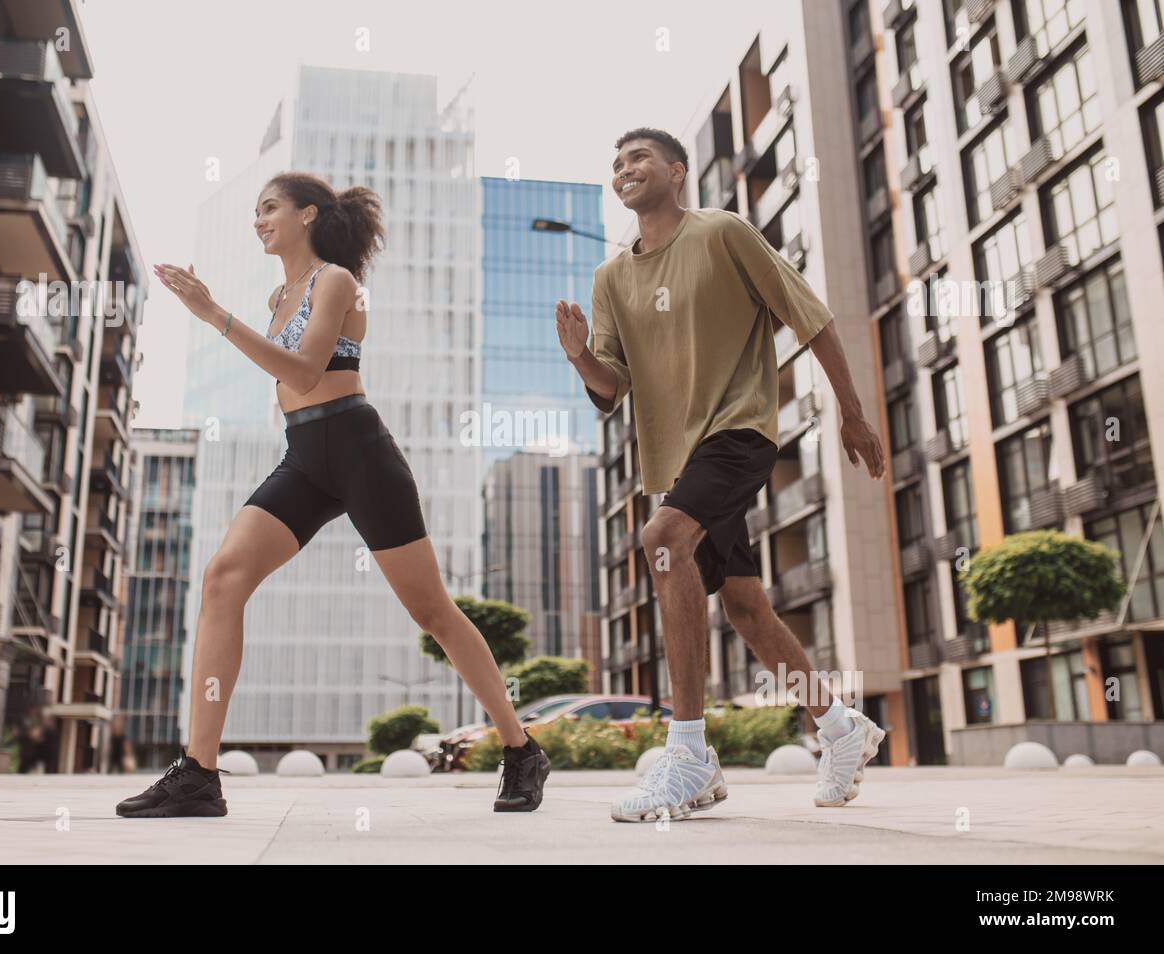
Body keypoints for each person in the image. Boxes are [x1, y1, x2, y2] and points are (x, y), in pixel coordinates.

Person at [116, 172, 549, 818]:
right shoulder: (277, 295)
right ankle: (199, 773)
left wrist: (212, 314)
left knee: (433, 612)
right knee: (222, 577)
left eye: (269, 208)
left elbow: (306, 369)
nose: (258, 220)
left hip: (360, 452)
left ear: (308, 215)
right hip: (305, 456)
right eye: (255, 210)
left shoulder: (337, 282)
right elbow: (287, 386)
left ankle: (521, 750)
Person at [556, 129, 887, 822]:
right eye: (615, 163)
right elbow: (611, 386)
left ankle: (689, 754)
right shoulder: (611, 277)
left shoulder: (724, 232)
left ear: (677, 171)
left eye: (639, 157)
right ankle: (839, 729)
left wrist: (852, 414)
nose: (625, 169)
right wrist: (581, 354)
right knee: (745, 608)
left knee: (663, 538)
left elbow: (810, 317)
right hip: (676, 461)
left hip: (740, 429)